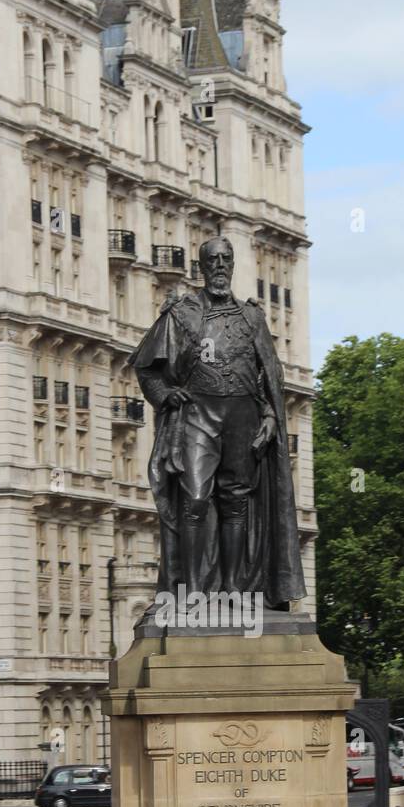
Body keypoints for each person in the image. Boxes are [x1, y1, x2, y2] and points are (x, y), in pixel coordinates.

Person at [129, 235, 305, 606]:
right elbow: (146, 368)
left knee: (236, 500)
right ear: (202, 266)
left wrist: (272, 415)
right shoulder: (181, 313)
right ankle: (192, 589)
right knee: (194, 497)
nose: (220, 266)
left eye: (226, 259)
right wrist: (164, 395)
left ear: (234, 264)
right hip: (198, 415)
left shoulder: (252, 316)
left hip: (243, 415)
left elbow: (269, 376)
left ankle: (233, 588)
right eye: (213, 260)